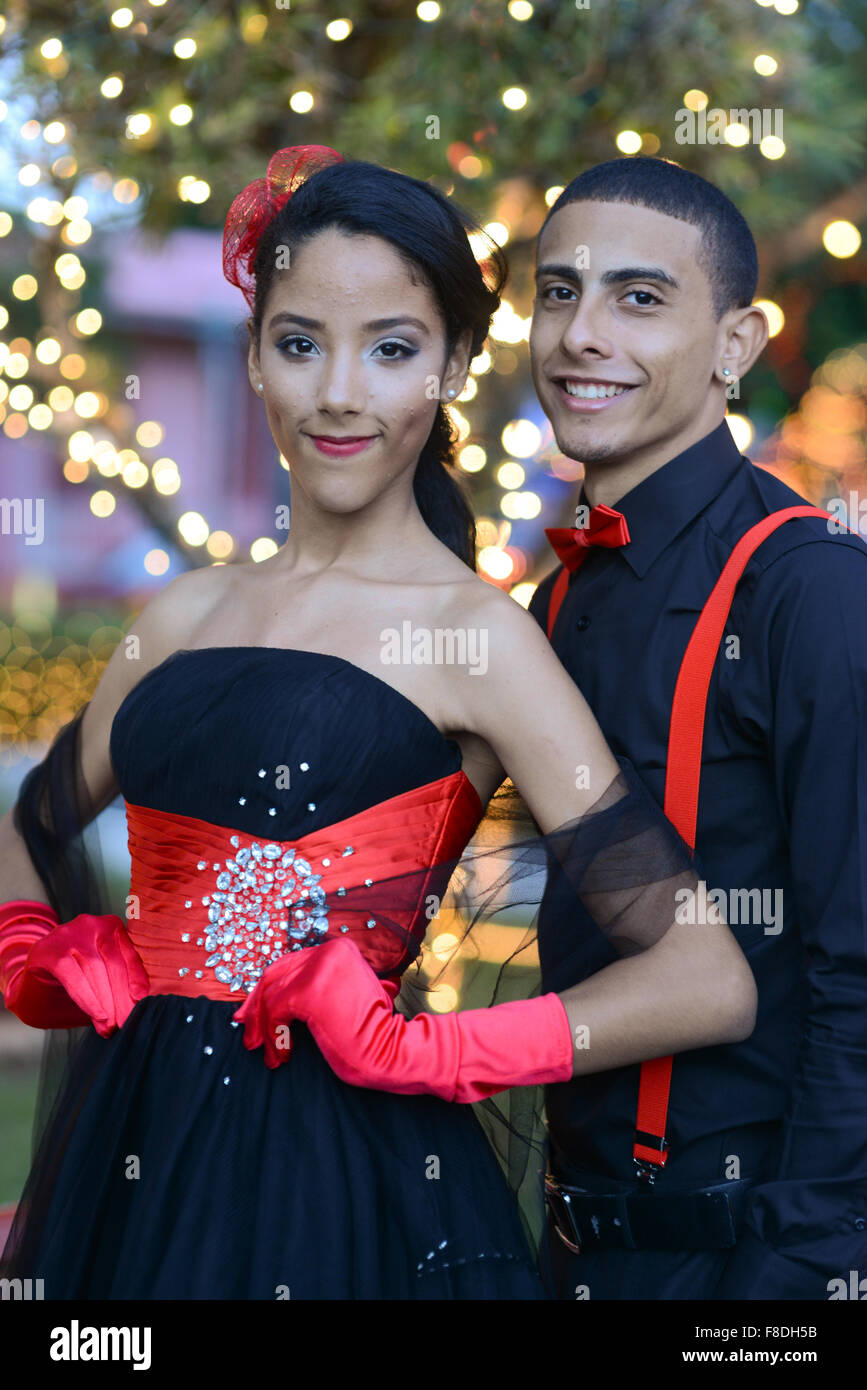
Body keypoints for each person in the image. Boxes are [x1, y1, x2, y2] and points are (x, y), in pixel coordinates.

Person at [0, 148, 756, 1301]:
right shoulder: (188, 609)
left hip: (342, 1183)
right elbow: (30, 819)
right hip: (131, 1152)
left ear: (453, 364)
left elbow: (707, 976)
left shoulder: (485, 639)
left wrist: (430, 1050)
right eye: (300, 343)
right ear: (256, 357)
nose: (339, 392)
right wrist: (34, 954)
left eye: (391, 348)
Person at [522, 157, 867, 1300]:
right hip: (578, 1239)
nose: (581, 333)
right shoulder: (558, 595)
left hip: (750, 1259)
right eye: (558, 290)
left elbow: (859, 966)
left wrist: (796, 1275)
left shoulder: (807, 587)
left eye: (639, 298)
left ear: (735, 343)